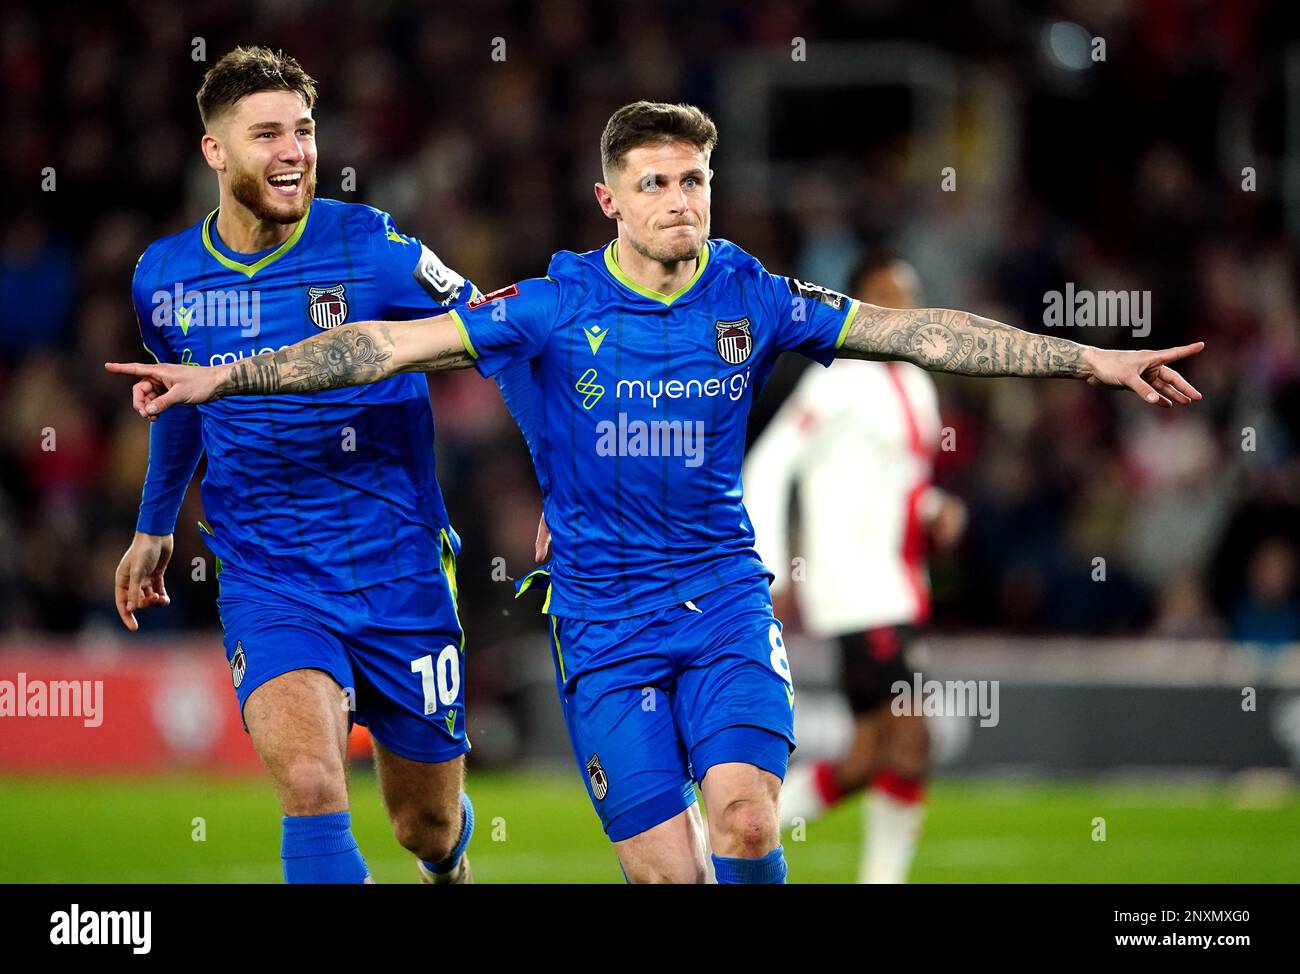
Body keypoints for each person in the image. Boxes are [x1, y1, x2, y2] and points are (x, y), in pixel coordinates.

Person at [108, 101, 1205, 884]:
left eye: (693, 180)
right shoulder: (551, 302)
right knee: (663, 871)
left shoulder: (753, 291)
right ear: (610, 200)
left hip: (724, 597)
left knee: (740, 819)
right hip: (599, 622)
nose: (680, 200)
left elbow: (918, 333)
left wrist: (1087, 359)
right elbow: (385, 346)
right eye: (656, 183)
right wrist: (229, 376)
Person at [115, 46, 483, 884]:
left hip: (399, 568)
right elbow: (181, 402)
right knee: (314, 783)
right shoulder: (163, 278)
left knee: (421, 825)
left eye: (305, 131)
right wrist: (154, 522)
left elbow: (495, 333)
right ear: (214, 151)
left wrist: (560, 484)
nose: (295, 151)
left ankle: (449, 863)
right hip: (269, 572)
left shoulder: (376, 247)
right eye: (268, 133)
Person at [744, 251, 965, 882]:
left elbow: (901, 485)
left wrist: (940, 510)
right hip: (855, 589)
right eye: (885, 296)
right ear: (858, 306)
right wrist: (776, 573)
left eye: (908, 294)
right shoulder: (835, 379)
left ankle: (737, 828)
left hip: (900, 587)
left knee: (870, 754)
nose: (901, 308)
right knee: (913, 738)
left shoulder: (917, 383)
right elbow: (768, 464)